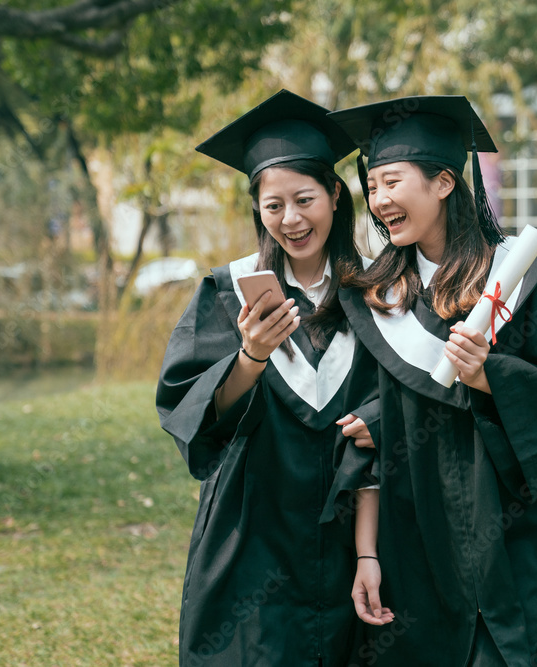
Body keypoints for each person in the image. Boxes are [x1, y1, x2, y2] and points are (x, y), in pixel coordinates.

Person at [321, 96, 537, 666]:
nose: (380, 200)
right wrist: (378, 419)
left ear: (442, 184)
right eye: (373, 187)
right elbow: (373, 403)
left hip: (523, 534)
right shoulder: (377, 301)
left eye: (392, 181)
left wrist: (492, 379)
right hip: (420, 540)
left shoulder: (527, 280)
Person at [156, 90, 371, 666]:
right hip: (253, 525)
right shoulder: (227, 291)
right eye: (272, 206)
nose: (291, 219)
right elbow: (192, 412)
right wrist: (251, 355)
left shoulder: (376, 293)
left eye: (304, 199)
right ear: (258, 210)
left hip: (353, 522)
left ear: (334, 194)